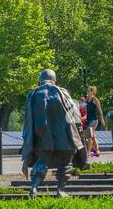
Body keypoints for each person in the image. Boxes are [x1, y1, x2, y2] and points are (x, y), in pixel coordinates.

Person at [20, 69, 85, 198]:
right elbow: (75, 114)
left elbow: (28, 120)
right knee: (66, 164)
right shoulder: (63, 92)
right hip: (65, 137)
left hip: (43, 137)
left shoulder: (33, 94)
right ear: (55, 81)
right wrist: (80, 133)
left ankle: (34, 188)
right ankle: (60, 190)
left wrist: (29, 139)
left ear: (40, 81)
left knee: (42, 161)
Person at [84, 86, 104, 157]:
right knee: (92, 136)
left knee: (90, 136)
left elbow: (100, 111)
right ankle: (96, 151)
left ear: (92, 92)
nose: (87, 92)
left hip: (94, 120)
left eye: (89, 91)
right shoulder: (86, 100)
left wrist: (102, 120)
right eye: (87, 91)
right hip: (88, 120)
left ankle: (88, 152)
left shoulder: (95, 99)